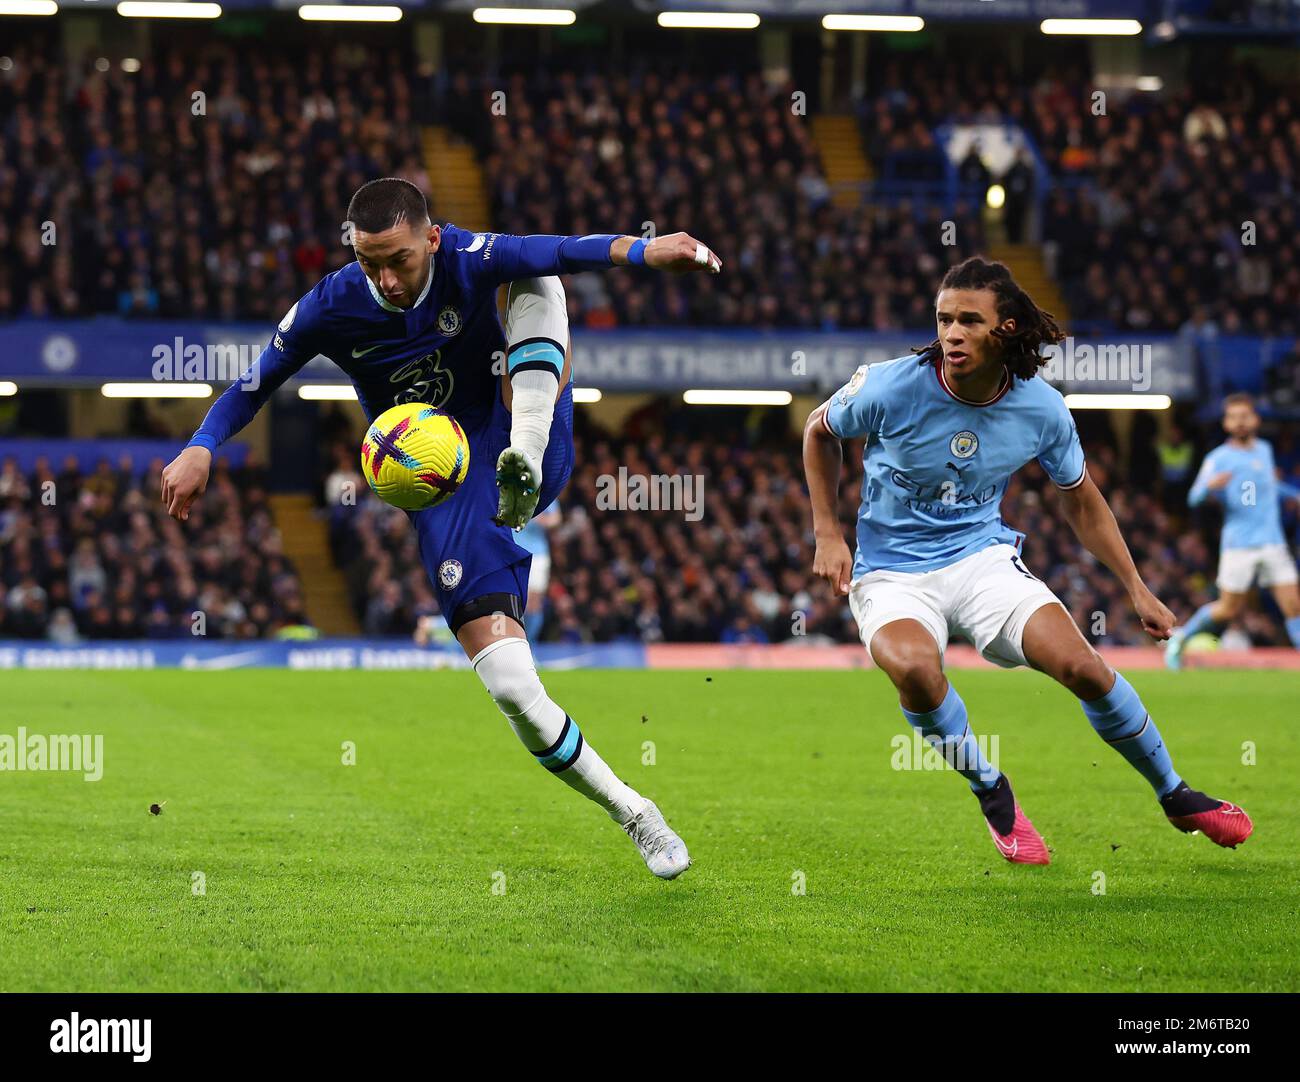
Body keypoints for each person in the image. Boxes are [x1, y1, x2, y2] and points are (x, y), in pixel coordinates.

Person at [161, 177, 722, 879]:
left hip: (520, 428)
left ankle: (523, 447)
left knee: (534, 276)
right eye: (370, 262)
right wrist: (203, 443)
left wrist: (645, 252)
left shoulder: (466, 256)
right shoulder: (332, 304)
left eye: (398, 259)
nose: (386, 278)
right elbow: (257, 379)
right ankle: (635, 813)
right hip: (440, 482)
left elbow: (562, 248)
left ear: (431, 237)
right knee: (514, 688)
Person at [802, 257, 1252, 865]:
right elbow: (817, 430)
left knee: (1085, 668)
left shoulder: (1043, 409)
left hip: (982, 559)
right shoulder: (889, 385)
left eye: (968, 320)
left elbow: (1084, 503)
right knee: (914, 671)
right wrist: (827, 532)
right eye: (943, 320)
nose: (951, 334)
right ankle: (992, 791)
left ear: (1006, 328)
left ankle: (1175, 793)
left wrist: (1136, 588)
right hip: (891, 572)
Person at [1165, 393, 1300, 666]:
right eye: (1234, 417)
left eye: (1245, 416)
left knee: (1293, 606)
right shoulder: (1218, 458)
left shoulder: (1264, 450)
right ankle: (1180, 638)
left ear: (1255, 420)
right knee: (1228, 610)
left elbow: (1269, 486)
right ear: (1226, 424)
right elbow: (1194, 498)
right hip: (1239, 545)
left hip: (1272, 543)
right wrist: (1209, 488)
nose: (1240, 422)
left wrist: (1294, 494)